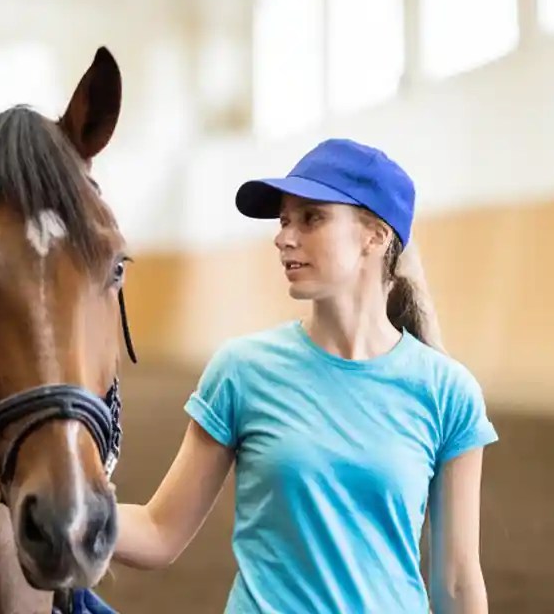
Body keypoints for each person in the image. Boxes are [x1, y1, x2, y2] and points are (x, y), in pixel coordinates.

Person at [112, 138, 497, 613]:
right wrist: (70, 515)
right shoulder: (242, 372)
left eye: (311, 218)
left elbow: (458, 582)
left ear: (375, 236)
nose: (284, 237)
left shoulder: (448, 393)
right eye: (284, 221)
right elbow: (158, 531)